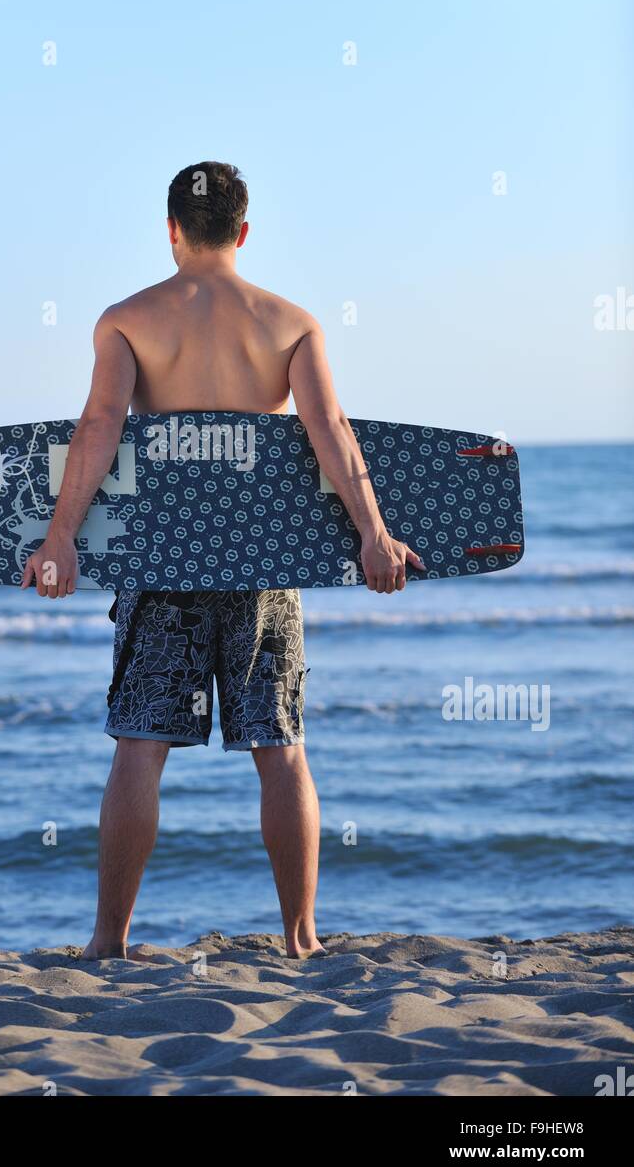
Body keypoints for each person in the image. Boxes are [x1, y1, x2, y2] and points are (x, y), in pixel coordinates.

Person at [21, 162, 424, 959]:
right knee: (282, 749)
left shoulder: (127, 320)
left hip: (162, 565)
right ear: (243, 232)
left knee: (140, 745)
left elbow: (101, 425)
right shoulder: (290, 323)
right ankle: (301, 939)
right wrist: (374, 534)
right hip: (262, 568)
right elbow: (329, 433)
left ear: (172, 231)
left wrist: (61, 535)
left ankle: (109, 942)